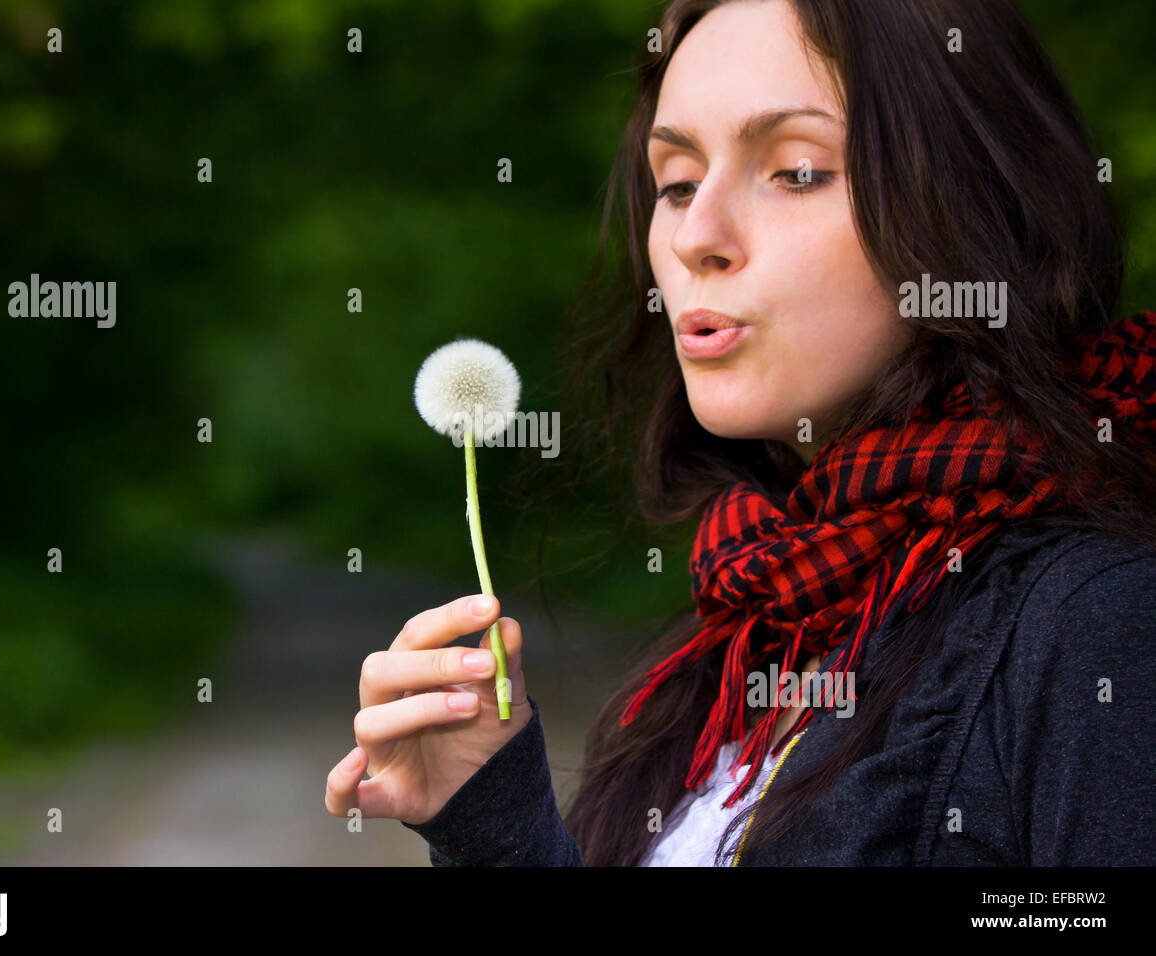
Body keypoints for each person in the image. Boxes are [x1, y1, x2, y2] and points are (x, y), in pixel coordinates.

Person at [324, 0, 1156, 865]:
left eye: (796, 171)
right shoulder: (752, 626)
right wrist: (495, 827)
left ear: (977, 201)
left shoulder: (1100, 623)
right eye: (677, 182)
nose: (695, 236)